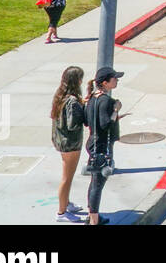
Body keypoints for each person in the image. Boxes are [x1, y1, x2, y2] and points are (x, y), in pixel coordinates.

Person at [84, 66, 124, 226]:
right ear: (105, 82)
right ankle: (94, 221)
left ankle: (92, 216)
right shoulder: (106, 100)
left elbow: (87, 121)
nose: (117, 80)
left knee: (95, 181)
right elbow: (105, 124)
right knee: (98, 184)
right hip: (102, 146)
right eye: (114, 78)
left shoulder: (92, 98)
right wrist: (116, 111)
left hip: (93, 143)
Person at [50, 66, 88, 222]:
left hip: (61, 141)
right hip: (70, 144)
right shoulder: (72, 101)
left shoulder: (60, 95)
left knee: (68, 177)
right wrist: (83, 108)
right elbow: (74, 124)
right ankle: (61, 212)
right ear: (77, 81)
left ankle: (65, 202)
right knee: (67, 178)